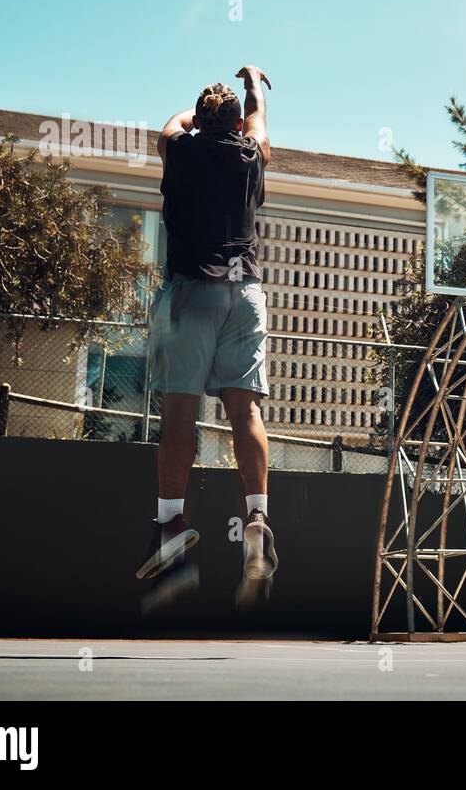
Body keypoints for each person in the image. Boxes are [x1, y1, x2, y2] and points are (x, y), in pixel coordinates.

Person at [135, 65, 279, 587]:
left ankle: (171, 524)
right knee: (246, 412)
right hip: (244, 294)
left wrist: (194, 118)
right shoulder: (251, 154)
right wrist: (253, 82)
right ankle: (257, 517)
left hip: (191, 293)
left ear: (199, 121)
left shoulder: (180, 150)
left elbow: (169, 127)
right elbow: (258, 119)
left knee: (180, 415)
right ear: (237, 124)